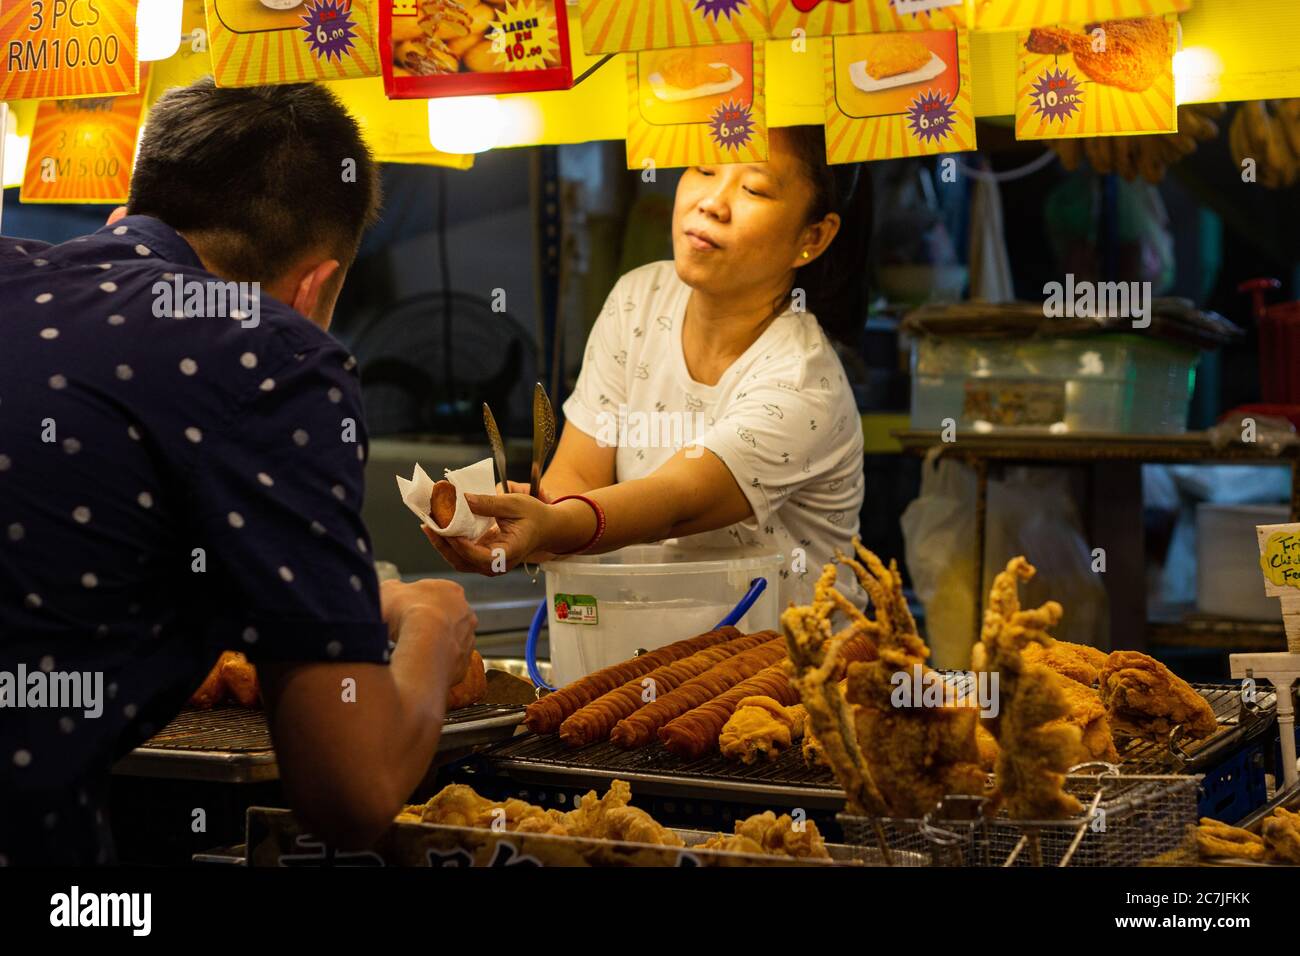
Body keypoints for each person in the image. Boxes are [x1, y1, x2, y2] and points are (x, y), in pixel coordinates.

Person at [0, 79, 476, 865]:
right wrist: (432, 623)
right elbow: (348, 797)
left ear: (124, 220)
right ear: (312, 288)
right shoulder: (273, 355)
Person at [428, 127, 870, 607]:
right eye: (704, 168)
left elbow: (675, 502)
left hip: (787, 669)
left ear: (814, 236)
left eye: (753, 189)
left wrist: (556, 525)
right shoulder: (640, 300)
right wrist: (534, 515)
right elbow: (578, 474)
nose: (711, 203)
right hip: (659, 654)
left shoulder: (802, 382)